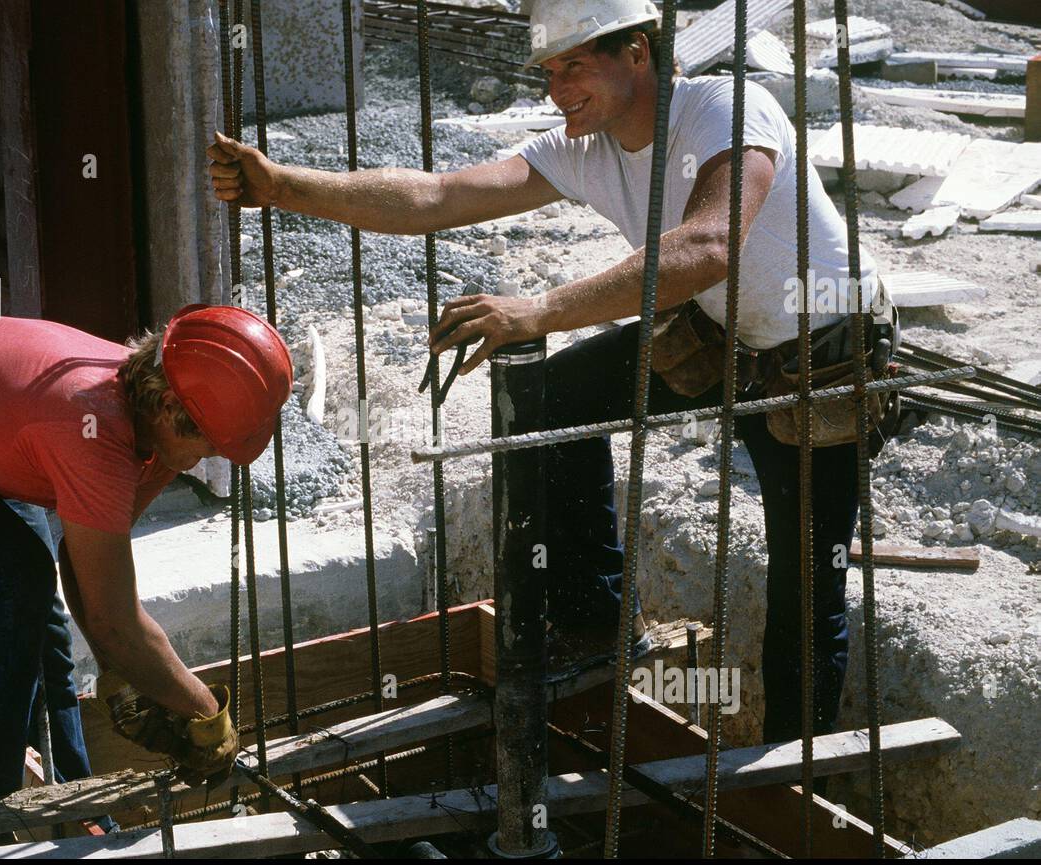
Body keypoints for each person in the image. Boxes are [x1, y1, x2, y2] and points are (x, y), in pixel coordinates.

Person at [205, 0, 893, 744]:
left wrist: (536, 309)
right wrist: (282, 187)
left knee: (804, 589)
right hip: (724, 336)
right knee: (555, 400)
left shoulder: (727, 109)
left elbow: (705, 249)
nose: (558, 89)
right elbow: (438, 197)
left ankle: (795, 781)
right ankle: (597, 621)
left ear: (638, 51)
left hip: (820, 352)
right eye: (549, 71)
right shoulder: (587, 149)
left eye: (575, 65)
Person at [0, 304, 292, 824]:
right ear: (168, 407)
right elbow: (114, 621)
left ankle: (74, 803)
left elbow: (89, 575)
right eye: (208, 442)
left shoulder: (157, 416)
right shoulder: (91, 431)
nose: (209, 457)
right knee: (17, 581)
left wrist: (123, 672)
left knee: (39, 602)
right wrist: (206, 715)